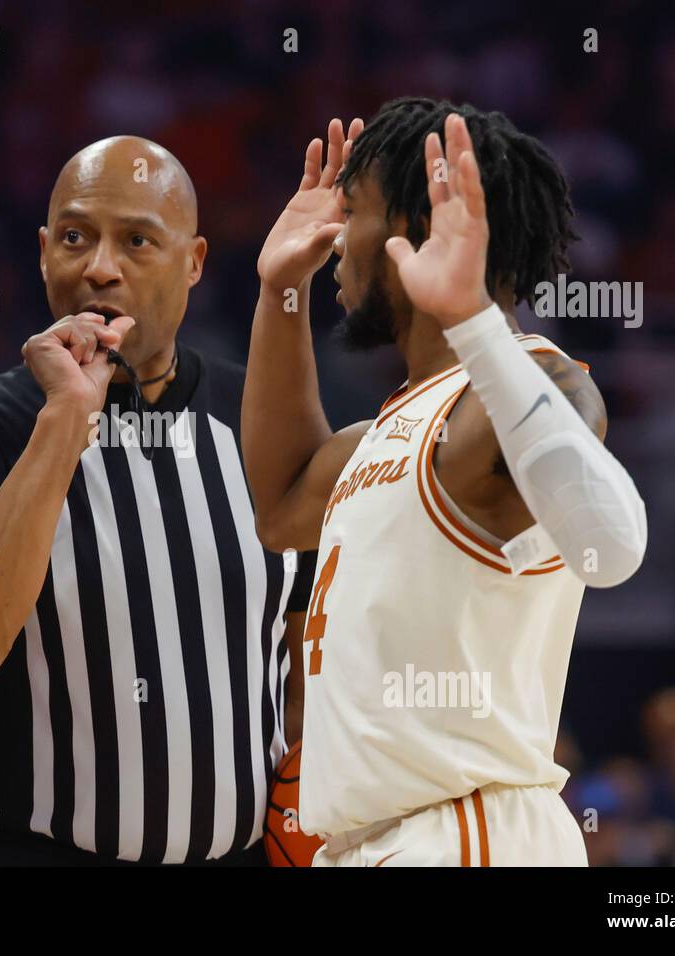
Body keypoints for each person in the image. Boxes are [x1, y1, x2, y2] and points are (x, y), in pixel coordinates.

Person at [243, 98, 648, 866]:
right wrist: (278, 291)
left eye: (350, 211)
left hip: (464, 835)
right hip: (378, 841)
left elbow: (612, 549)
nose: (335, 241)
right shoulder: (390, 428)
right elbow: (282, 504)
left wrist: (473, 322)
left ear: (410, 226)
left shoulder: (531, 384)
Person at [0, 136, 313, 866]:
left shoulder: (262, 421)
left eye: (138, 241)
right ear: (42, 252)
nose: (99, 267)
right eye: (75, 237)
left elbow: (306, 647)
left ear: (194, 263)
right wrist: (65, 418)